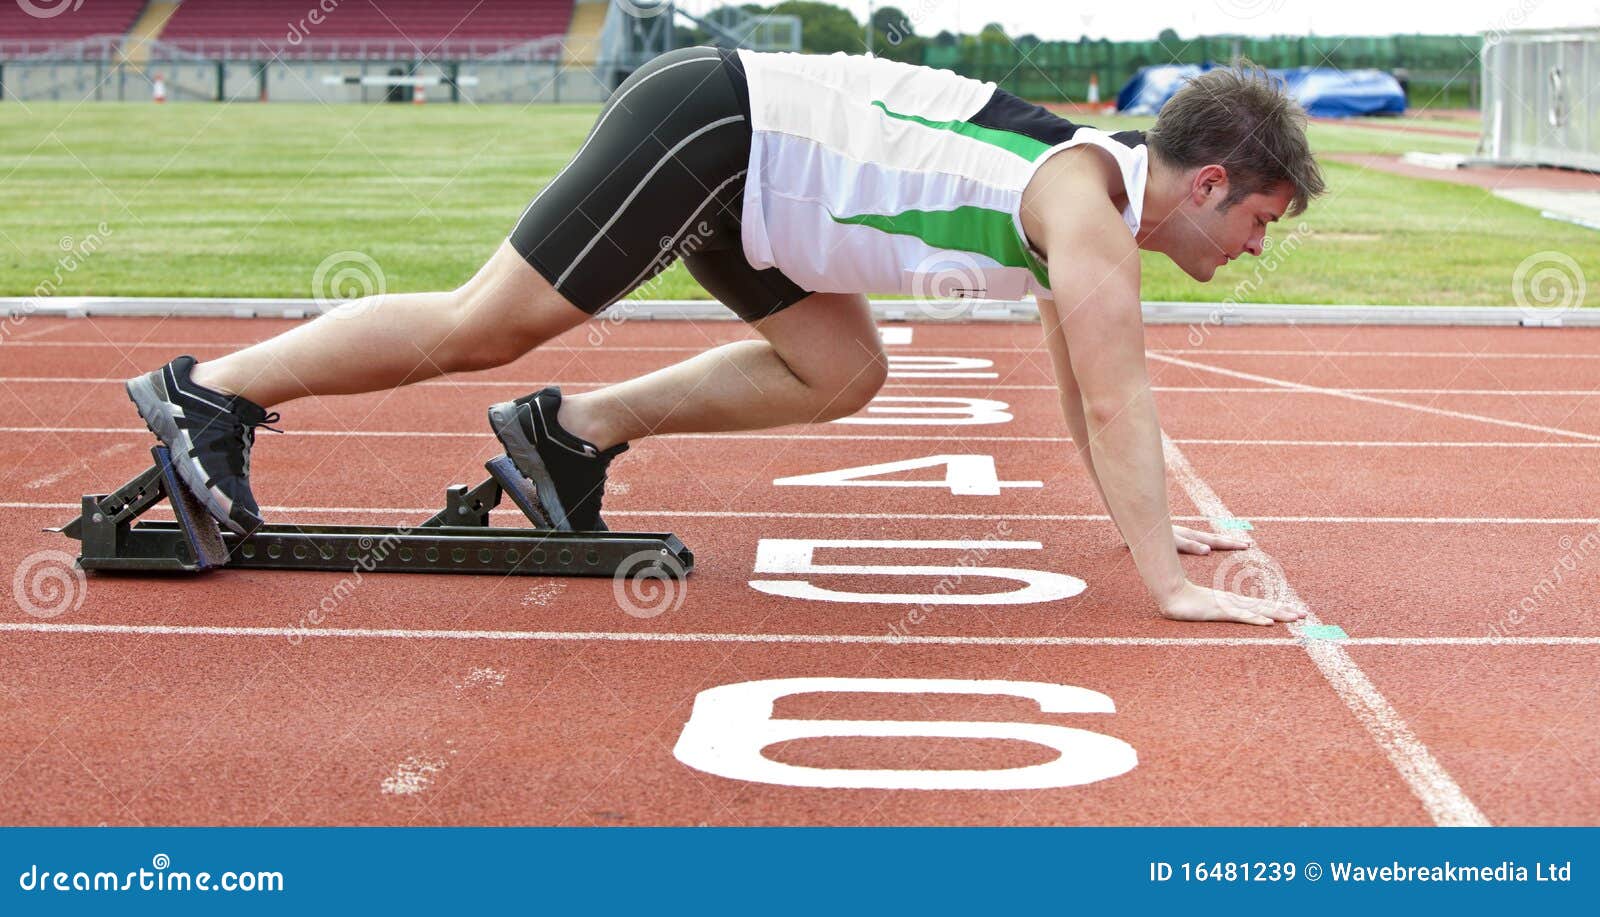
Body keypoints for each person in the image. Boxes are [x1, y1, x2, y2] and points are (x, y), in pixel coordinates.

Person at [124, 46, 1323, 625]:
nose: (1258, 248)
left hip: (759, 190)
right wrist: (1166, 583)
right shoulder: (1087, 211)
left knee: (845, 369)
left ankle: (570, 436)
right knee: (489, 321)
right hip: (717, 129)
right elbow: (1114, 398)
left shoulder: (1095, 201)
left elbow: (1085, 389)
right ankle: (213, 392)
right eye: (1262, 220)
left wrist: (1166, 534)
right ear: (1209, 181)